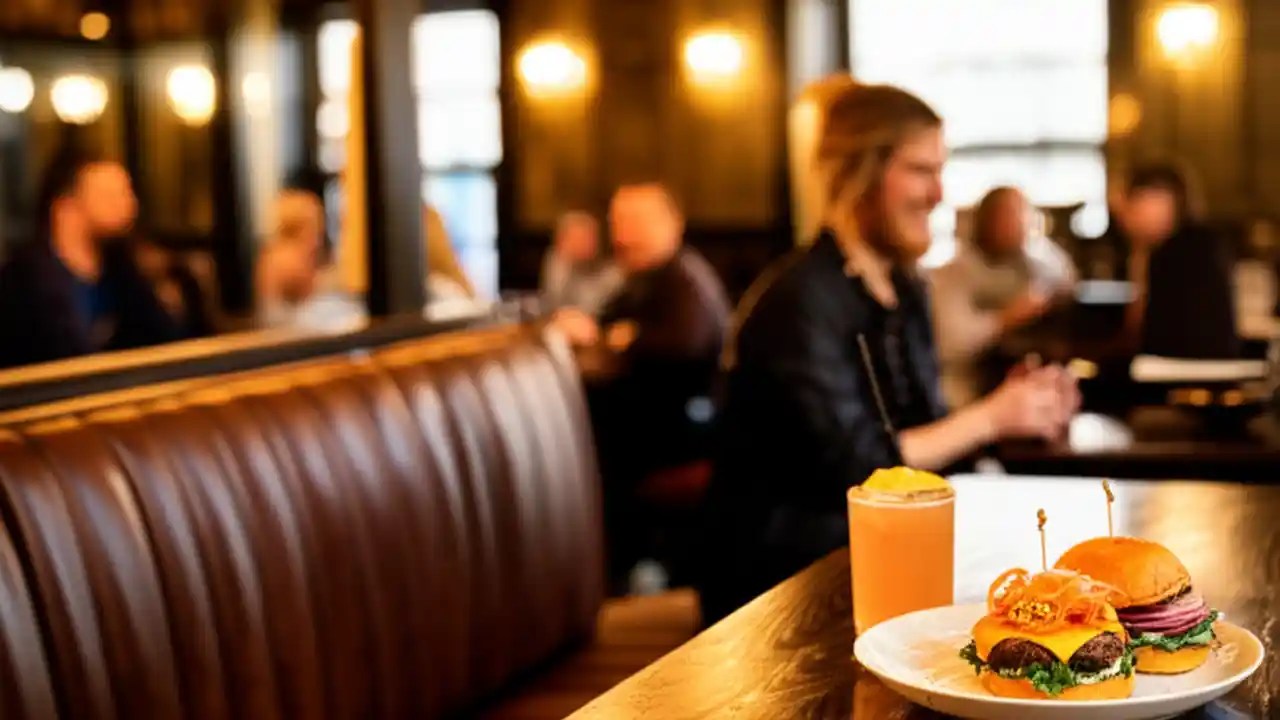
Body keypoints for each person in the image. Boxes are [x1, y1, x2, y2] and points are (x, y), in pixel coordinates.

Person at [698, 82, 1079, 624]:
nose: (939, 193)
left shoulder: (905, 289)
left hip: (877, 566)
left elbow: (926, 433)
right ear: (858, 173)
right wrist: (989, 418)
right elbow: (861, 472)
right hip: (783, 594)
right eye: (921, 170)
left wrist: (1022, 411)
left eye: (940, 171)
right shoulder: (799, 300)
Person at [554, 182, 731, 589]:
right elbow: (605, 326)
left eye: (635, 223)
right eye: (618, 223)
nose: (623, 236)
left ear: (673, 224)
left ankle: (617, 576)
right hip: (651, 431)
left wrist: (624, 339)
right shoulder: (640, 279)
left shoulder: (683, 280)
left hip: (684, 435)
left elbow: (683, 344)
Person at [0, 151, 178, 368]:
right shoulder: (24, 280)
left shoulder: (121, 267)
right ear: (66, 206)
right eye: (111, 195)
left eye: (127, 192)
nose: (130, 205)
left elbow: (166, 341)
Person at [929, 187, 1078, 407]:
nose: (1015, 223)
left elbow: (1066, 278)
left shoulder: (1033, 263)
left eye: (1021, 215)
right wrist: (1005, 319)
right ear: (984, 220)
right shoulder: (955, 273)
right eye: (1005, 215)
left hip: (1026, 382)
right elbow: (952, 343)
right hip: (968, 389)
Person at [1106, 163, 1239, 358]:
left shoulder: (1186, 251)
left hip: (1184, 367)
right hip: (1186, 365)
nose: (1123, 218)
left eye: (1131, 204)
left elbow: (1153, 338)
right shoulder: (1173, 248)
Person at [540, 211, 623, 316]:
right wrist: (564, 259)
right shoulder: (558, 261)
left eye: (590, 237)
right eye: (577, 238)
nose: (588, 243)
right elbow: (553, 302)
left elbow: (591, 308)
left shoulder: (613, 274)